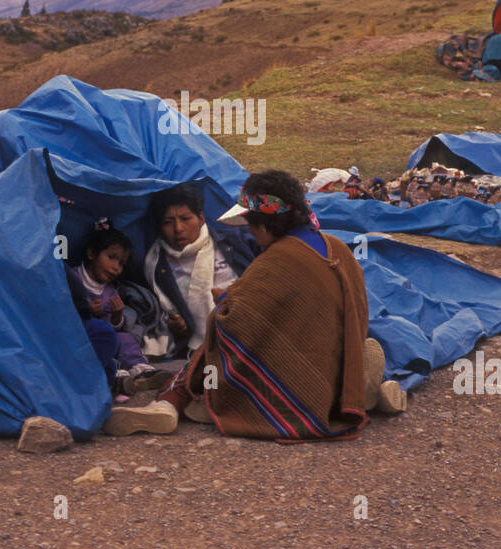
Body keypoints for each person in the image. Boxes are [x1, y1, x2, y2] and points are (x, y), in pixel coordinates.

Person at [157, 171, 405, 441]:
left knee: (218, 332)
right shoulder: (337, 248)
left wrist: (225, 301)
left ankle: (182, 398)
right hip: (340, 366)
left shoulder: (277, 261)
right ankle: (359, 387)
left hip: (305, 390)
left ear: (263, 223)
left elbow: (236, 320)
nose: (250, 232)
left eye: (251, 224)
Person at [141, 183, 255, 358]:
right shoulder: (156, 268)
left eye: (185, 219)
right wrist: (175, 325)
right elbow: (155, 317)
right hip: (203, 348)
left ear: (201, 218)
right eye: (168, 222)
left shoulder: (233, 242)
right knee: (214, 381)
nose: (178, 228)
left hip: (253, 329)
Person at [65, 222, 171, 398]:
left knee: (124, 337)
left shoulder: (110, 291)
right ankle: (116, 374)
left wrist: (117, 315)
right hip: (80, 336)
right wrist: (84, 308)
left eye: (121, 263)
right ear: (92, 253)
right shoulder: (74, 279)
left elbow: (111, 328)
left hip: (104, 336)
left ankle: (140, 370)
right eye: (111, 257)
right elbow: (58, 308)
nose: (116, 267)